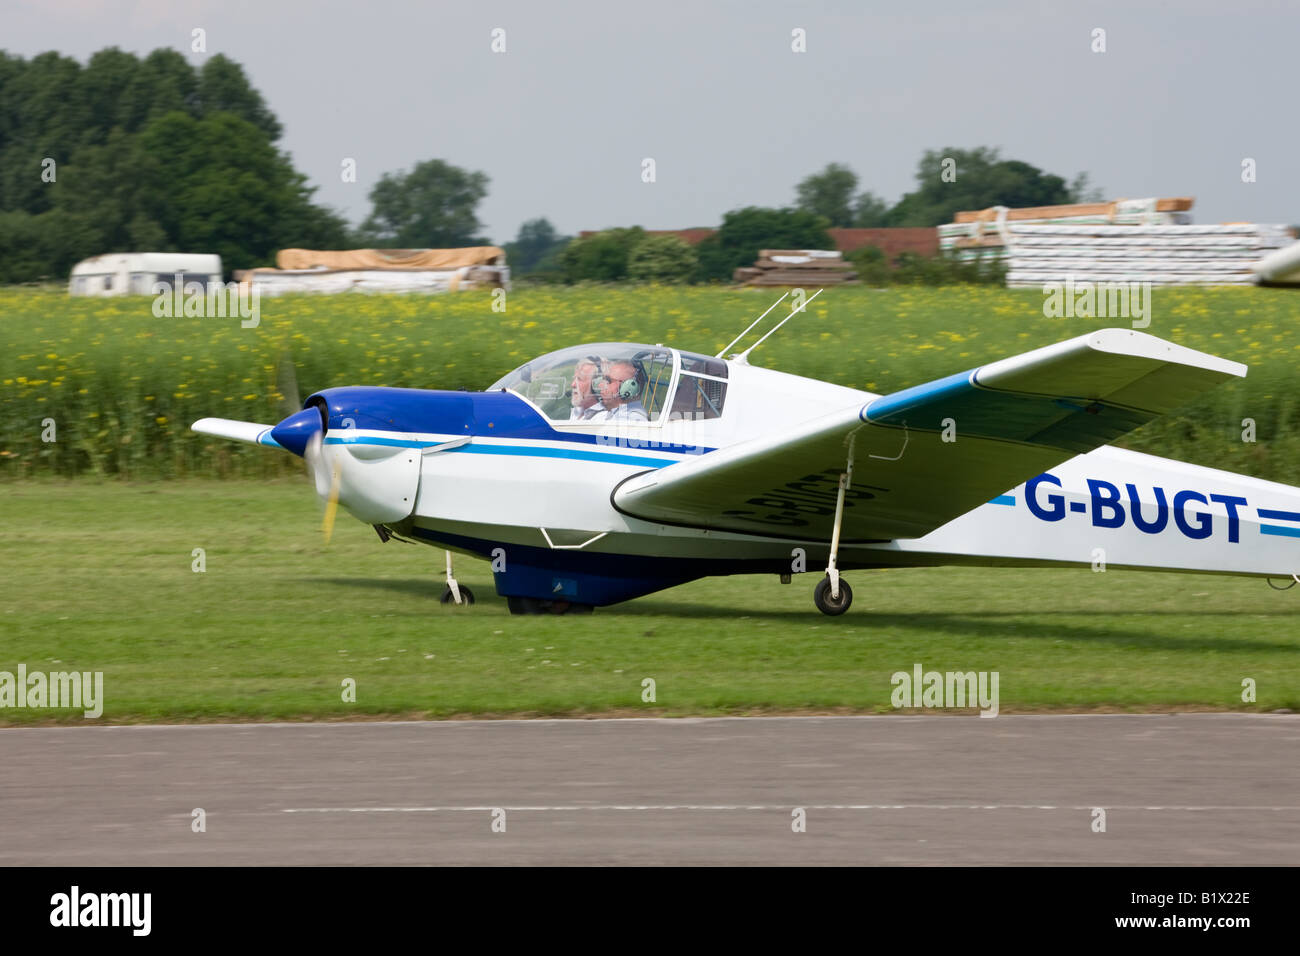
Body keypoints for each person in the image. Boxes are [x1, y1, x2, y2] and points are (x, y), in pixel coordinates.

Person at [568, 356, 604, 420]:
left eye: (579, 379)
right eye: (574, 379)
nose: (573, 384)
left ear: (597, 384)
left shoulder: (602, 417)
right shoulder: (577, 411)